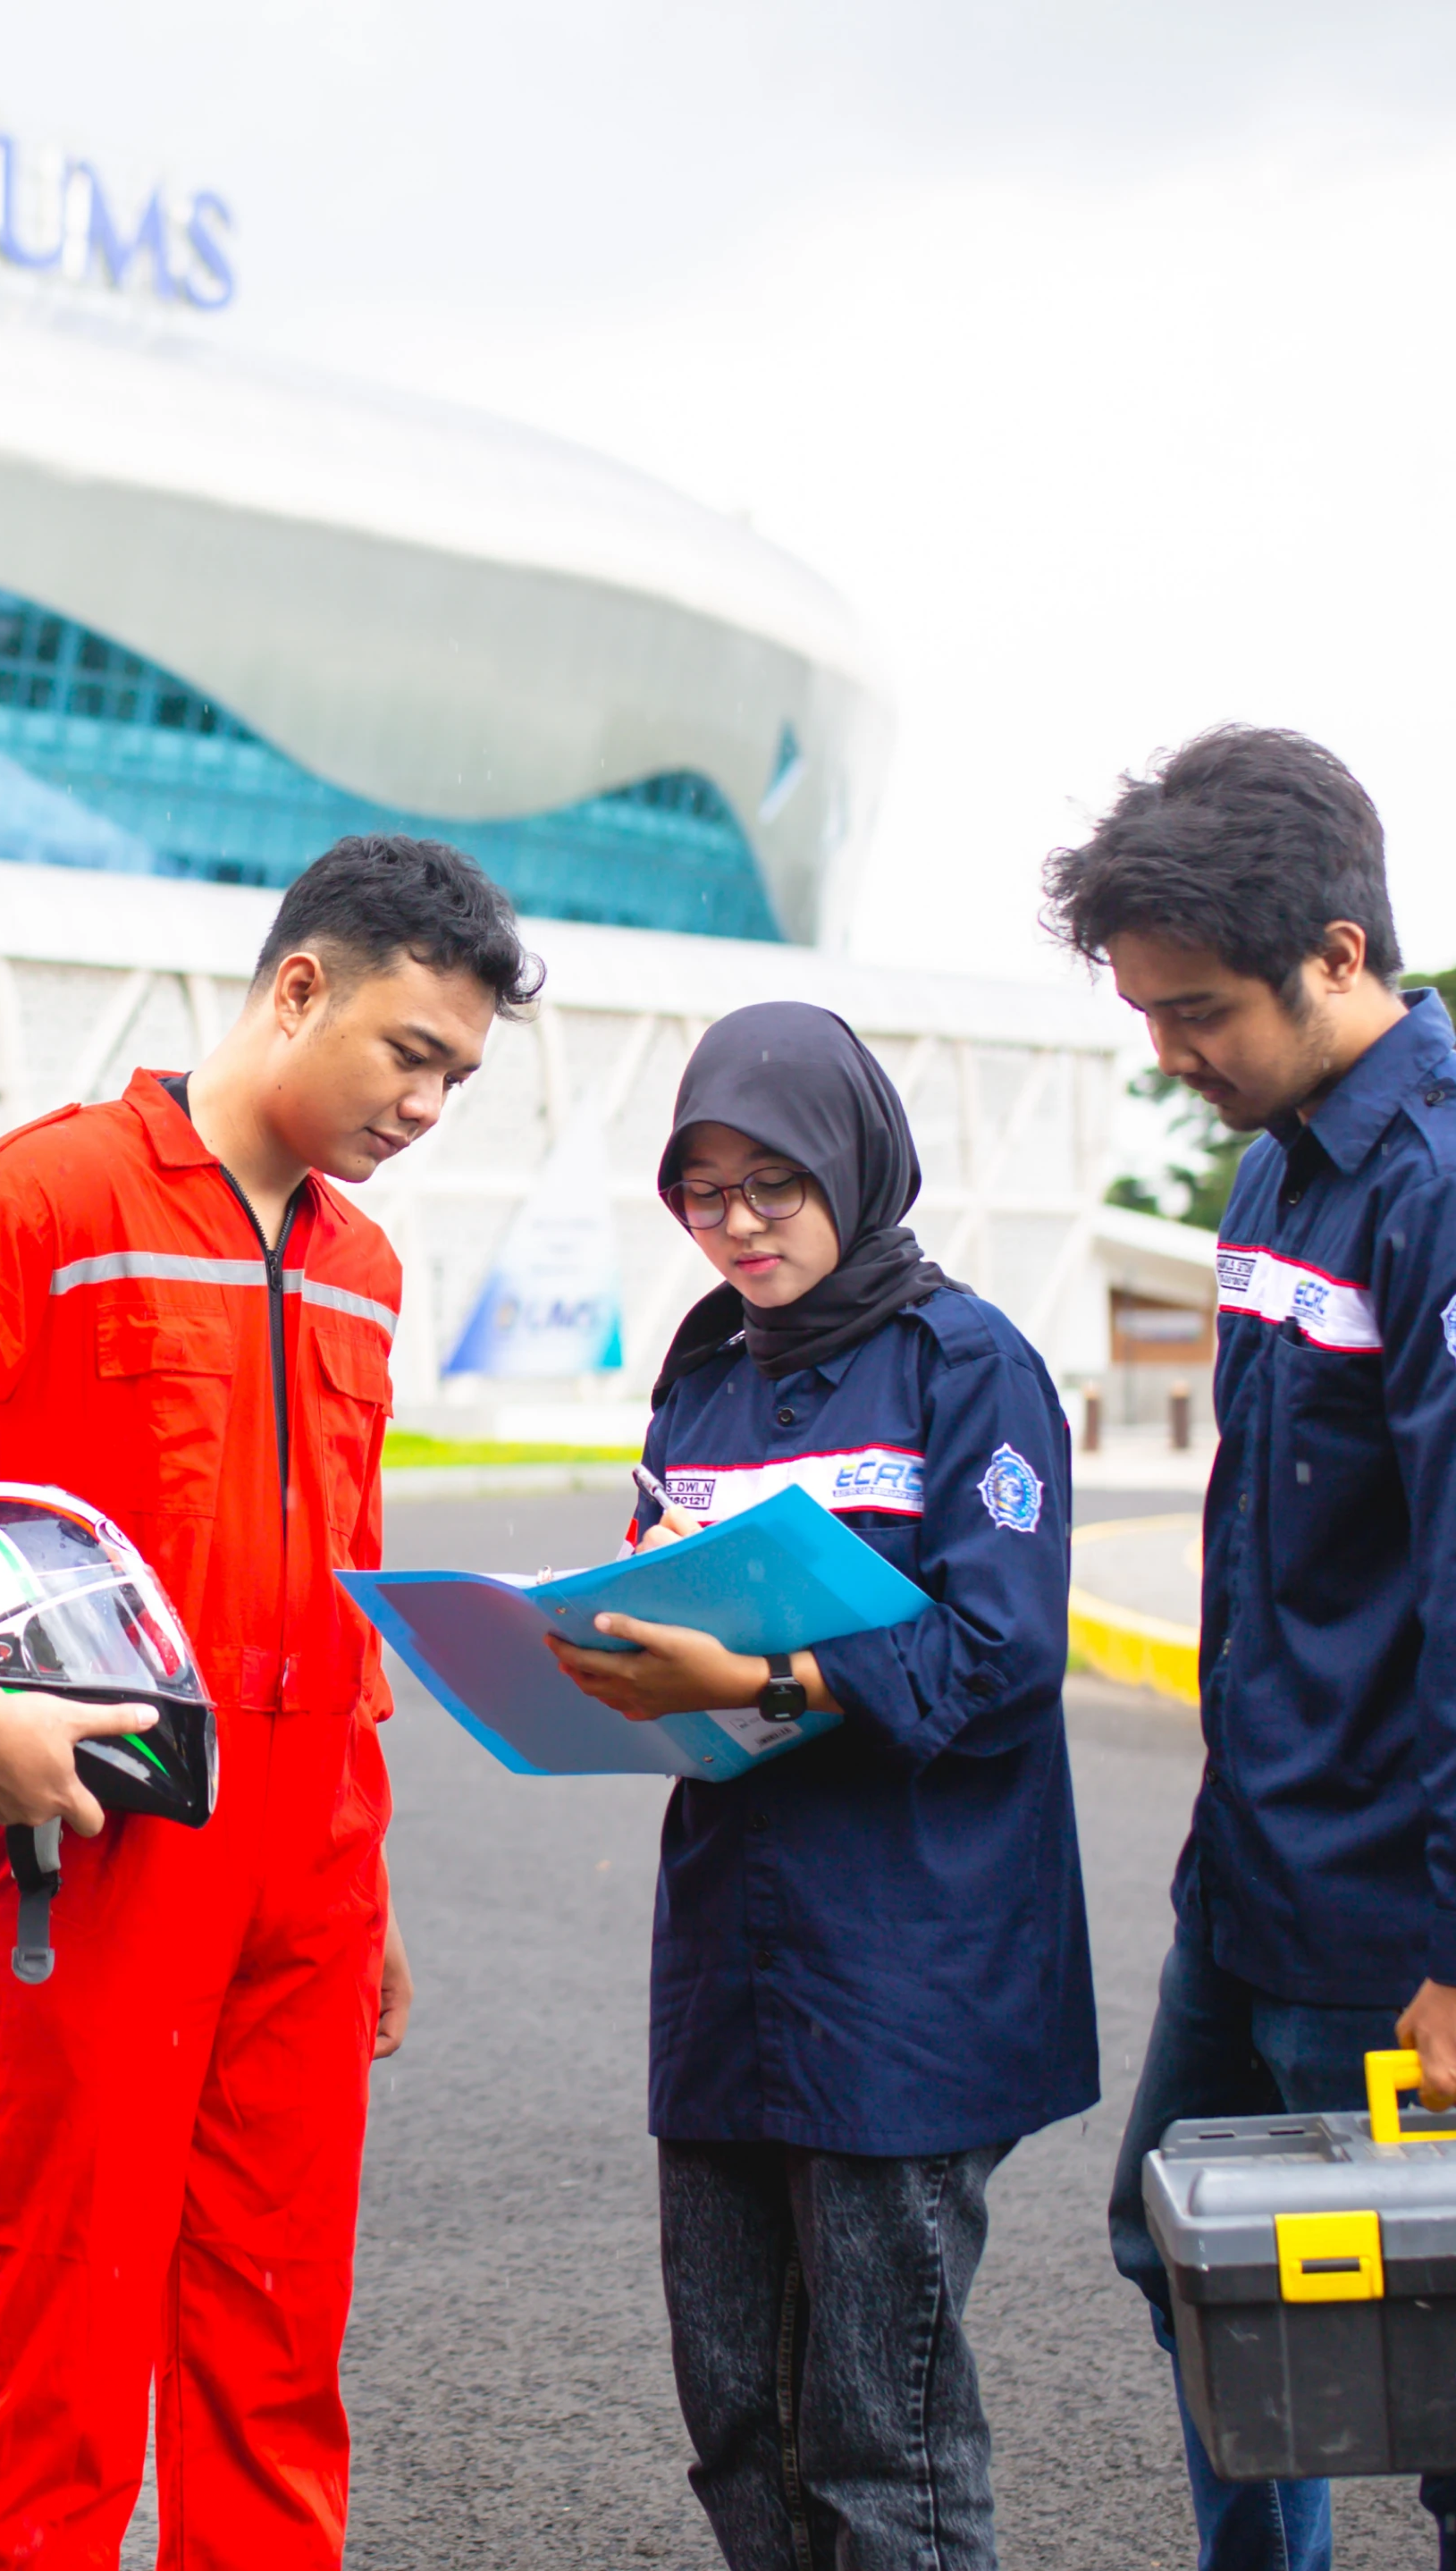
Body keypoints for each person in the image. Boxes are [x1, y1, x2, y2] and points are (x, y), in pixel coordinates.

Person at [0, 835, 542, 2570]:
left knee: (275, 2341)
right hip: (99, 1839)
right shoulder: (58, 1194)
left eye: (460, 1078)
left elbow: (345, 1584)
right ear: (297, 992)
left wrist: (376, 1893)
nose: (427, 1106)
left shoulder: (362, 1267)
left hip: (311, 1868)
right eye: (410, 1054)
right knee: (65, 2339)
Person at [547, 1001, 1098, 2571]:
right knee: (734, 2406)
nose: (736, 1227)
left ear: (853, 1164)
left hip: (904, 1964)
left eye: (769, 1185)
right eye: (701, 1193)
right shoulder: (705, 1376)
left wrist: (763, 1680)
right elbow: (654, 1586)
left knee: (881, 2428)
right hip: (730, 1948)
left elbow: (1005, 1657)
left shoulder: (966, 1364)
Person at [1046, 727, 1456, 2571]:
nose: (1171, 1055)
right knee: (1193, 2258)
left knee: (1446, 2377)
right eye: (1147, 1011)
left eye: (1198, 1008)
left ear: (1344, 957)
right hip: (1258, 1876)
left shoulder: (1435, 1192)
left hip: (1398, 1914)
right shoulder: (1278, 1170)